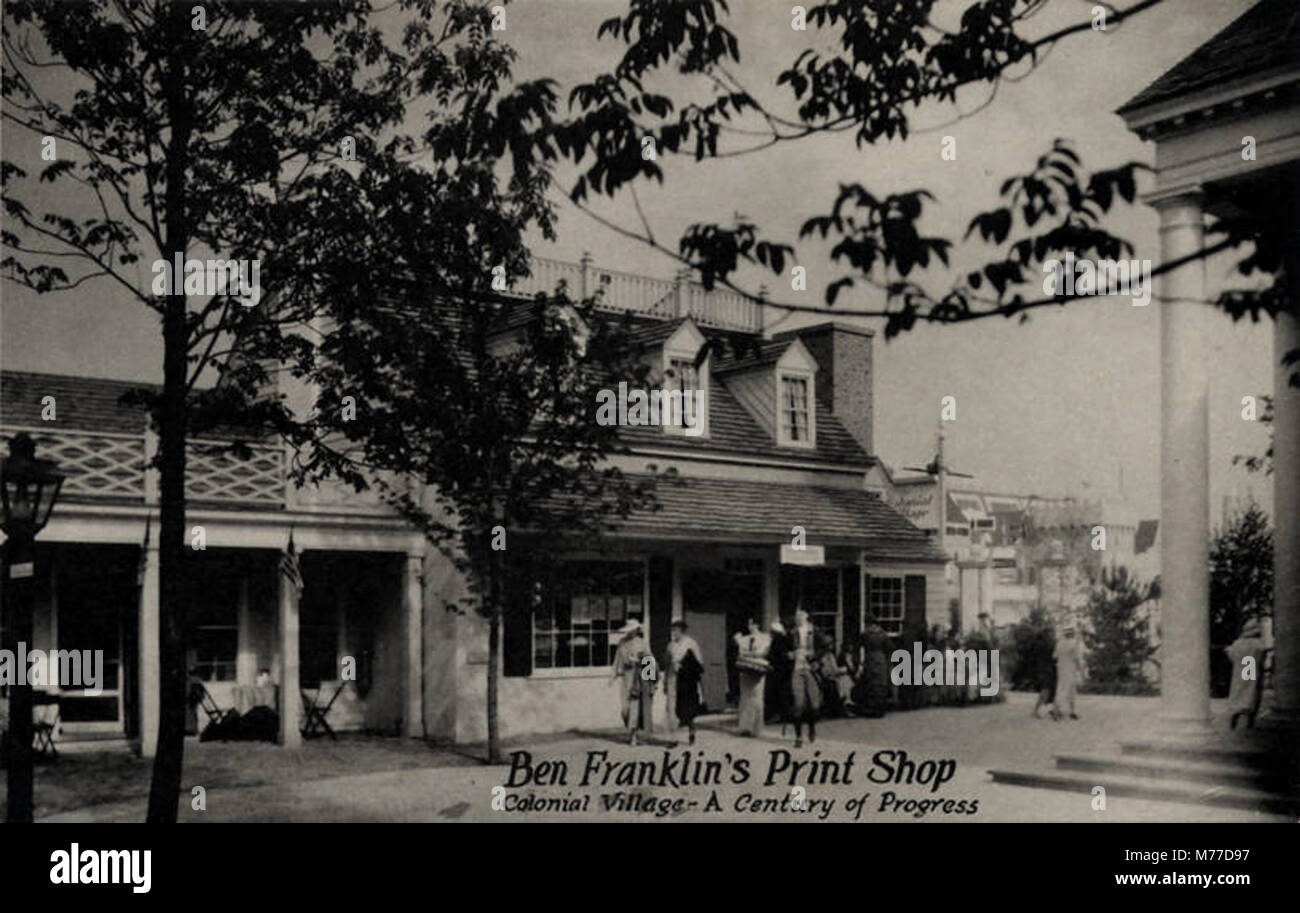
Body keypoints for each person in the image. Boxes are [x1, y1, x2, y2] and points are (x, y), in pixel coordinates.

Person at [611, 619, 654, 745]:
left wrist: (650, 682)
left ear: (636, 631)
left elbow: (649, 661)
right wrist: (613, 675)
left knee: (634, 707)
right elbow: (617, 659)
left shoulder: (642, 643)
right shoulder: (622, 643)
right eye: (628, 631)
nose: (630, 633)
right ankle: (631, 731)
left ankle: (633, 735)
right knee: (625, 709)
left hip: (637, 677)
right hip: (625, 677)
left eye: (632, 631)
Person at [787, 609, 822, 746]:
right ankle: (798, 737)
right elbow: (783, 650)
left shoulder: (814, 631)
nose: (799, 617)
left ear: (807, 616)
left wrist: (814, 656)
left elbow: (825, 646)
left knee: (814, 704)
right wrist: (789, 654)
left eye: (801, 615)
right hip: (796, 670)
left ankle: (812, 728)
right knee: (798, 704)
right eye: (797, 615)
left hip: (810, 669)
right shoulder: (791, 633)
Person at [666, 620, 704, 743]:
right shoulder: (670, 645)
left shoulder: (691, 644)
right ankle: (673, 738)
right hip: (672, 679)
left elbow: (699, 664)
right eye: (672, 630)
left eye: (676, 630)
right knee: (671, 708)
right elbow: (667, 664)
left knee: (687, 708)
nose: (674, 633)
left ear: (682, 631)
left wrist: (685, 666)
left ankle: (691, 730)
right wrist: (664, 683)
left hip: (686, 681)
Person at [1226, 618, 1268, 730]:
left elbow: (1232, 656)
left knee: (1238, 692)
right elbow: (1263, 655)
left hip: (1239, 671)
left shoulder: (1238, 643)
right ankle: (1250, 722)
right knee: (1252, 693)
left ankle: (1234, 720)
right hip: (1252, 671)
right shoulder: (1258, 644)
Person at [733, 617, 772, 737]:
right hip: (745, 668)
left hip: (757, 668)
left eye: (752, 624)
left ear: (757, 625)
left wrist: (749, 654)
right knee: (745, 697)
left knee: (757, 697)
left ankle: (757, 728)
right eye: (749, 624)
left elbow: (763, 653)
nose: (750, 627)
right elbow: (740, 653)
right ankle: (745, 727)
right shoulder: (744, 639)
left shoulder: (765, 638)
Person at [1052, 624, 1083, 721]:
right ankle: (1057, 711)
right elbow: (1076, 658)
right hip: (1070, 668)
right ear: (1072, 634)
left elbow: (1054, 656)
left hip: (1061, 668)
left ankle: (1071, 712)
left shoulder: (1059, 643)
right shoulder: (1074, 643)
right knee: (1068, 690)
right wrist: (1081, 670)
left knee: (1063, 689)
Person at [1032, 628, 1058, 719]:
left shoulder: (1040, 645)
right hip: (1048, 670)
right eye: (1052, 633)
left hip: (1043, 669)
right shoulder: (1048, 645)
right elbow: (1054, 657)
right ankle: (1037, 710)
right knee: (1046, 690)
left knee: (1048, 691)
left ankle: (1051, 710)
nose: (1053, 635)